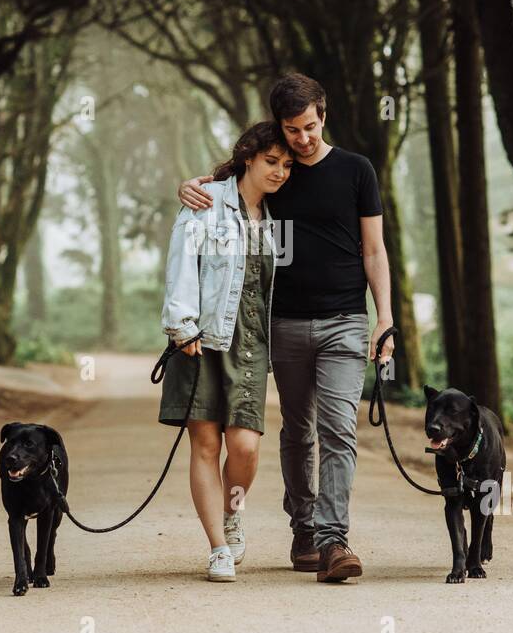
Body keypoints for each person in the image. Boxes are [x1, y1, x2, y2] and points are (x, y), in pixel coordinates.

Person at [178, 73, 395, 583]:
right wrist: (190, 185)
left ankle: (332, 538)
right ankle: (303, 529)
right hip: (283, 324)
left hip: (346, 319)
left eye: (310, 127)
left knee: (338, 428)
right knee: (297, 432)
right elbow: (228, 190)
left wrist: (384, 317)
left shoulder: (357, 170)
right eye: (292, 130)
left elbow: (374, 249)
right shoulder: (279, 172)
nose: (302, 139)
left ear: (325, 114)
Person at [159, 121, 293, 582]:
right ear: (248, 159)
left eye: (287, 165)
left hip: (252, 345)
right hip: (201, 338)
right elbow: (181, 261)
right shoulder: (207, 202)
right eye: (271, 162)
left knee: (245, 446)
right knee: (206, 443)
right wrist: (181, 326)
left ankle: (233, 510)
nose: (279, 172)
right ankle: (218, 546)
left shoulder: (282, 213)